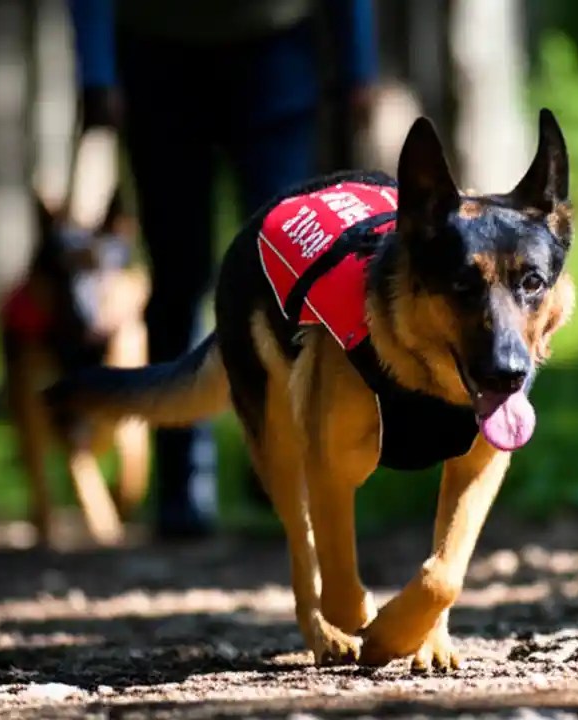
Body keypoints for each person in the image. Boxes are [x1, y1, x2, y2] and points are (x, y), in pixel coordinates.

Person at [67, 0, 379, 538]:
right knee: (177, 272)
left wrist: (359, 64)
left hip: (278, 48)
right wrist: (97, 70)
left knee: (286, 263)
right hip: (155, 54)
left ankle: (284, 461)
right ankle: (183, 486)